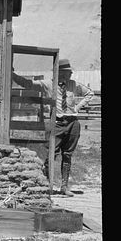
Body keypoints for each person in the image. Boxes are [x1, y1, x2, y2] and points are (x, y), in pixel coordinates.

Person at [43, 59, 95, 197]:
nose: (70, 74)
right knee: (51, 154)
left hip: (73, 123)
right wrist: (13, 75)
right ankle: (46, 185)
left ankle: (64, 187)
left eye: (70, 72)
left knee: (67, 155)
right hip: (57, 123)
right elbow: (29, 84)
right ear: (59, 72)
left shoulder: (73, 84)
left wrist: (77, 107)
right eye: (67, 72)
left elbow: (90, 94)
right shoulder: (48, 84)